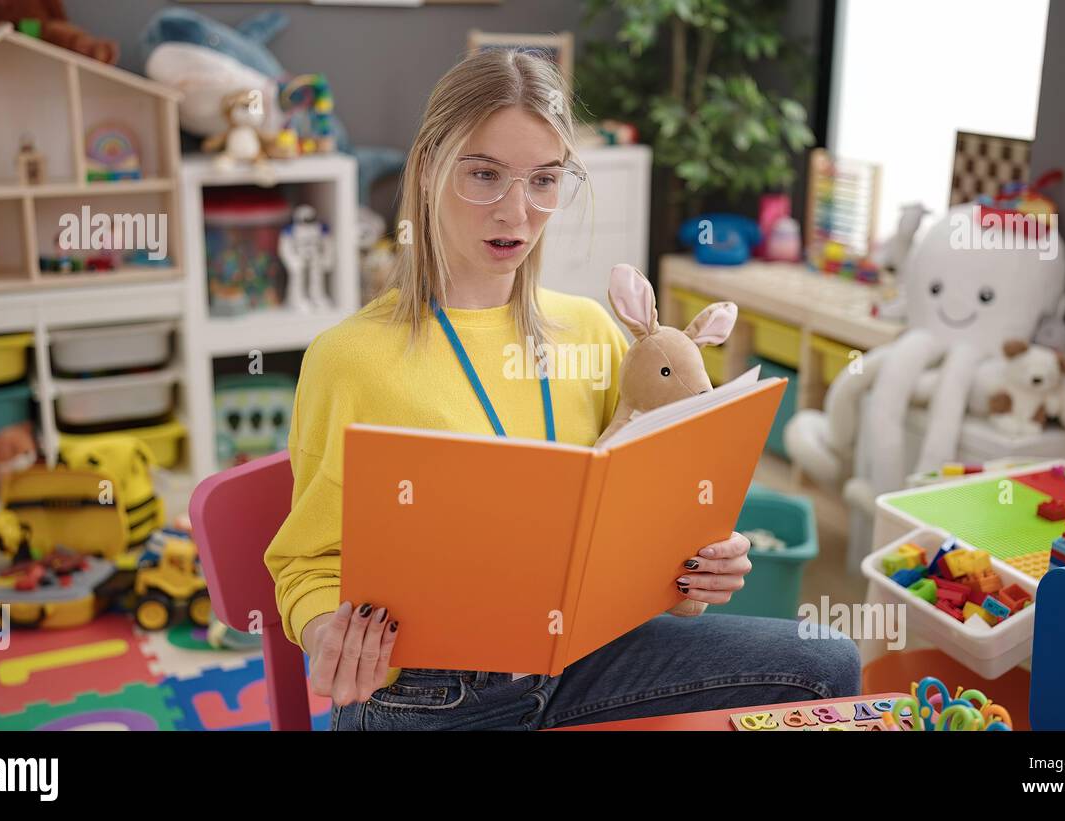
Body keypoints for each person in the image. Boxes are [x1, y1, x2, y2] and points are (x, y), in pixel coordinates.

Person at [264, 49, 859, 731]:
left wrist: (694, 571)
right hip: (430, 691)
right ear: (428, 167)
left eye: (544, 180)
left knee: (827, 661)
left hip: (585, 656)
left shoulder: (592, 330)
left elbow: (638, 524)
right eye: (485, 174)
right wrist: (327, 635)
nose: (517, 210)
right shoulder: (350, 359)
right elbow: (305, 565)